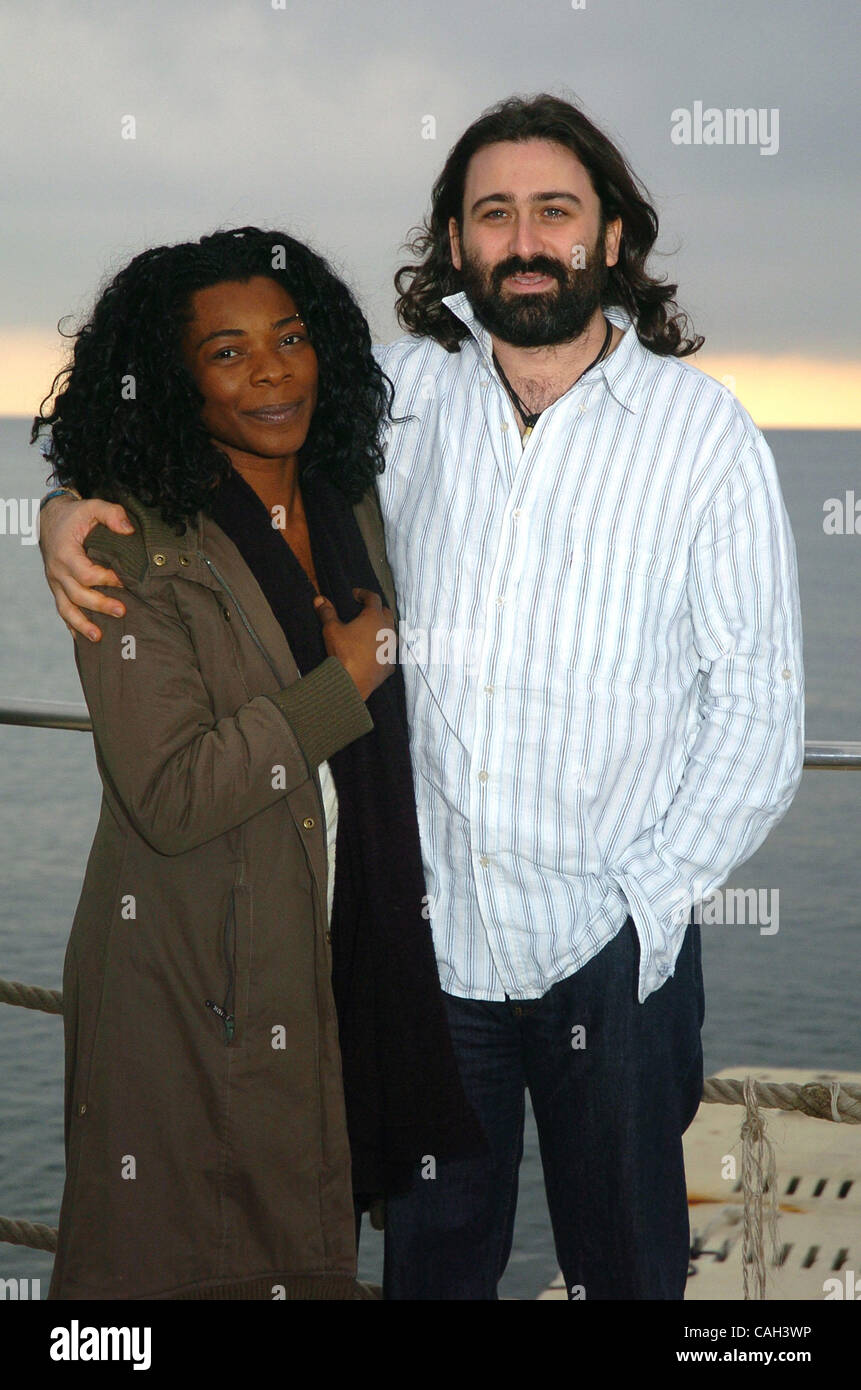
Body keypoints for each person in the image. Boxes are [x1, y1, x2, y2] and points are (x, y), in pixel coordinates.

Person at [40, 94, 805, 1301]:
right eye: (492, 213)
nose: (524, 238)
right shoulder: (400, 397)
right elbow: (224, 418)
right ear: (455, 243)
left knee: (633, 1268)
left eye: (556, 210)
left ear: (611, 237)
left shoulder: (704, 437)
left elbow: (760, 713)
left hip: (614, 956)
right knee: (434, 1272)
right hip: (435, 956)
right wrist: (69, 504)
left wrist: (641, 905)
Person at [33, 227, 480, 1300]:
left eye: (288, 337)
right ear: (174, 381)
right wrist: (343, 684)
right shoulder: (128, 546)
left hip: (324, 955)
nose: (271, 368)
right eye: (226, 352)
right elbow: (172, 794)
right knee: (171, 1265)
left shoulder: (348, 506)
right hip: (191, 976)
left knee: (299, 1241)